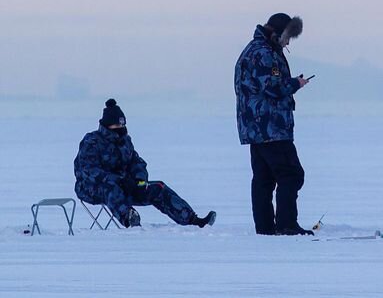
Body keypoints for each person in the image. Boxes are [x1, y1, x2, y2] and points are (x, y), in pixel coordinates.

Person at [74, 99, 216, 229]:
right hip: (91, 188)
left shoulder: (125, 141)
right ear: (108, 124)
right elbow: (89, 171)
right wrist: (120, 180)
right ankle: (130, 219)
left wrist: (139, 180)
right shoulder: (92, 141)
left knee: (158, 187)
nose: (121, 127)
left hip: (124, 185)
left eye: (122, 124)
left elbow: (136, 162)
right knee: (111, 188)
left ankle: (193, 220)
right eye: (117, 124)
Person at [234, 13, 312, 235]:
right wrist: (294, 83)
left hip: (257, 128)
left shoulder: (255, 50)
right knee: (291, 174)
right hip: (270, 128)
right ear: (277, 35)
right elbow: (272, 87)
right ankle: (287, 225)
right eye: (287, 38)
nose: (288, 44)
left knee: (264, 179)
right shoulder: (263, 53)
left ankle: (266, 228)